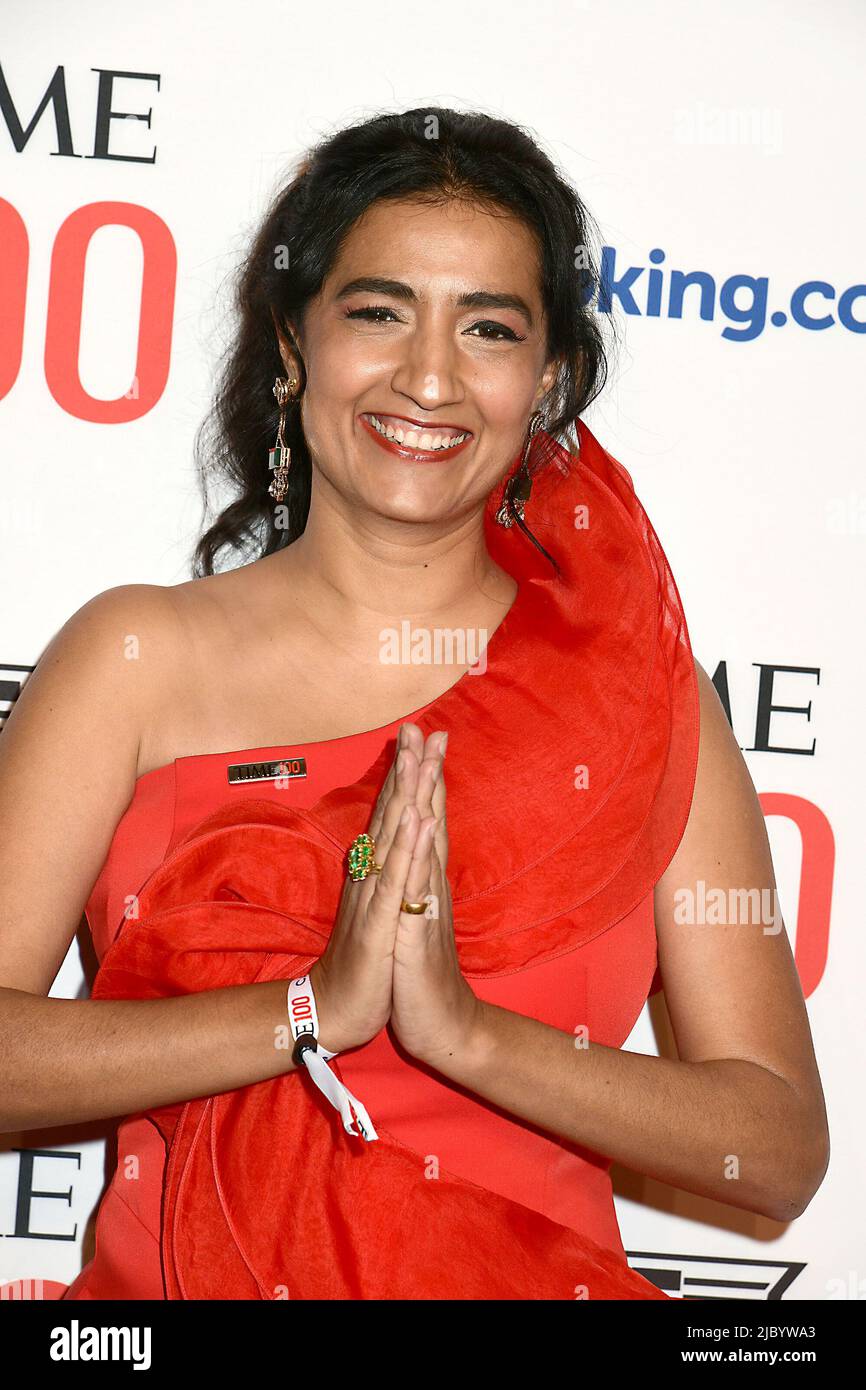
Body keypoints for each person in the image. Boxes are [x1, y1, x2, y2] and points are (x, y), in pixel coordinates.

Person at [0, 108, 829, 1301]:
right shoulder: (137, 658)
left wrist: (464, 1033)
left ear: (545, 380)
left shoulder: (638, 701)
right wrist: (308, 1006)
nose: (428, 377)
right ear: (292, 343)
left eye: (487, 327)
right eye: (377, 311)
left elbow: (776, 1152)